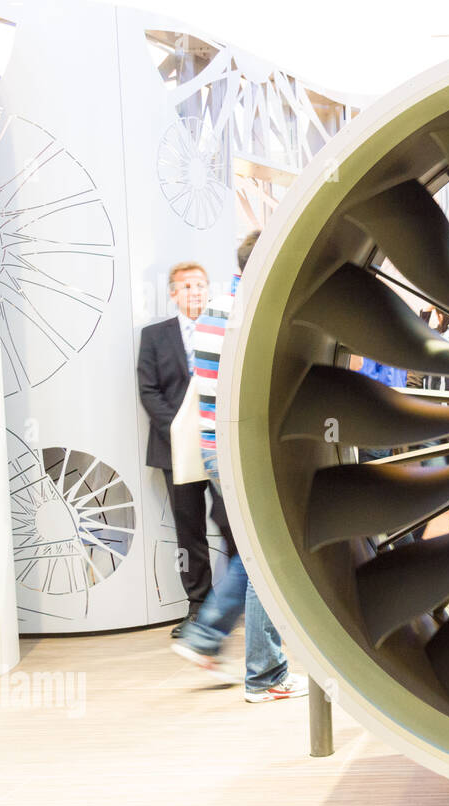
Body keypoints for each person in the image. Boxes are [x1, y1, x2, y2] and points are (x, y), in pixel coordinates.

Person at [171, 231, 307, 703]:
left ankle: (208, 637)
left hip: (218, 448)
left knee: (254, 556)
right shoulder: (245, 314)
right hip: (239, 450)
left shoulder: (220, 308)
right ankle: (264, 676)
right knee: (265, 556)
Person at [137, 262, 237, 637]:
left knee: (230, 522)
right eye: (188, 286)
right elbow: (149, 392)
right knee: (188, 528)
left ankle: (235, 600)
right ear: (173, 293)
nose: (196, 292)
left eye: (201, 286)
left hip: (218, 444)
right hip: (174, 449)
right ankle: (198, 606)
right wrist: (180, 432)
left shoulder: (225, 330)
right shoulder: (154, 336)